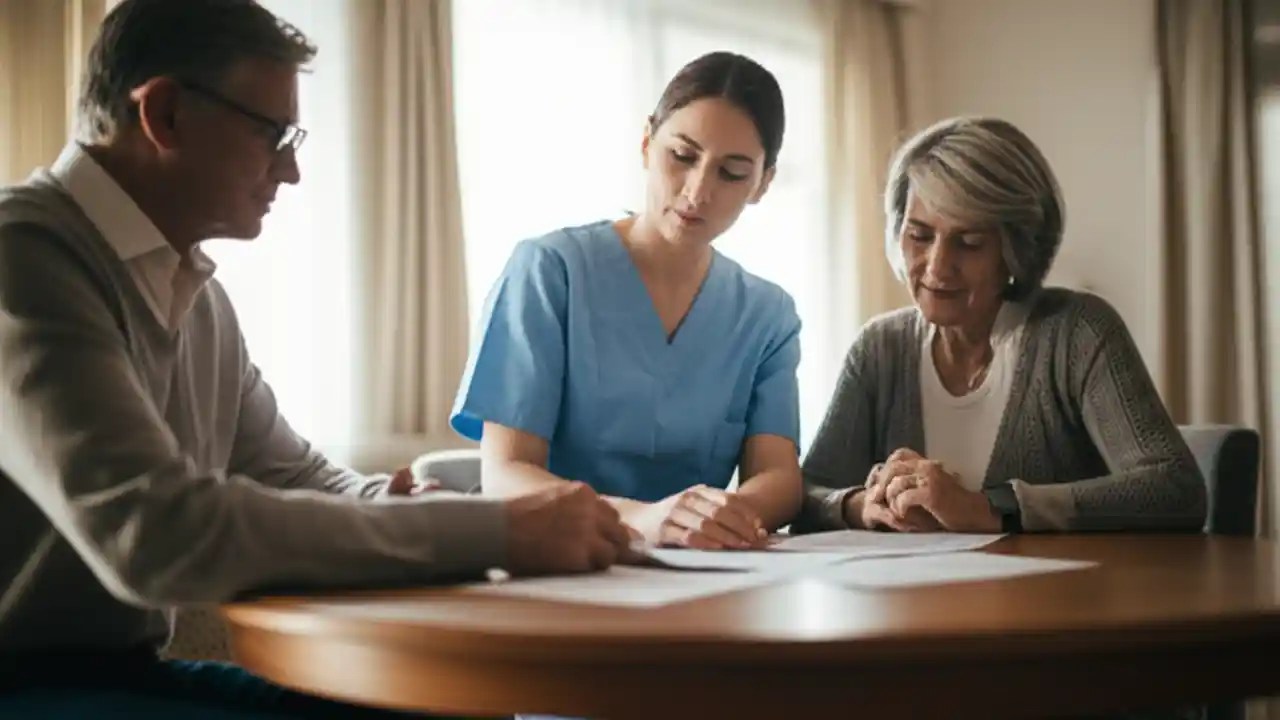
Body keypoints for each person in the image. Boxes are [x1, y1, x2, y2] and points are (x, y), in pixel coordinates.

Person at [0, 0, 630, 716]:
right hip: (23, 686)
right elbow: (156, 534)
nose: (292, 170)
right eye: (274, 134)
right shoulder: (21, 255)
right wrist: (499, 529)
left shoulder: (197, 299)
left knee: (449, 705)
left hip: (119, 677)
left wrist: (400, 503)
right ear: (166, 114)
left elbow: (294, 472)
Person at [451, 51, 803, 550]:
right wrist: (645, 519)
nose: (698, 191)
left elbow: (779, 478)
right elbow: (506, 474)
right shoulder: (551, 271)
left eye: (732, 173)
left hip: (700, 574)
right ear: (645, 143)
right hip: (557, 562)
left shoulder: (768, 316)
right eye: (682, 156)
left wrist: (714, 519)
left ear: (763, 184)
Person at [793, 116, 1206, 535]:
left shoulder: (1077, 333)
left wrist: (992, 508)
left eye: (969, 243)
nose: (937, 267)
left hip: (1059, 599)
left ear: (1016, 248)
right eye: (919, 236)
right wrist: (861, 506)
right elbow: (805, 495)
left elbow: (1175, 488)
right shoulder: (879, 348)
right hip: (921, 599)